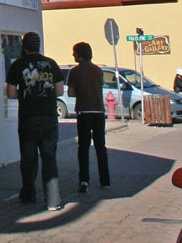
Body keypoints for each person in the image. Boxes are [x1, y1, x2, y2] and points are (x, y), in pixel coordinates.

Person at [6, 31, 64, 210]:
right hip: (49, 117)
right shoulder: (51, 64)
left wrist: (25, 93)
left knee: (29, 159)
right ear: (38, 45)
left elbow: (10, 93)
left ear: (24, 46)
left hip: (28, 118)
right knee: (49, 157)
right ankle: (53, 200)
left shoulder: (18, 65)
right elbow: (60, 91)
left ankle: (29, 195)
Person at [67, 42, 110, 193]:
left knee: (83, 148)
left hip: (83, 112)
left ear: (80, 54)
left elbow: (71, 93)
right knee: (101, 147)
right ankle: (105, 180)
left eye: (75, 52)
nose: (73, 55)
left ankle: (84, 180)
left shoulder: (74, 72)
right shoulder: (98, 70)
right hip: (98, 112)